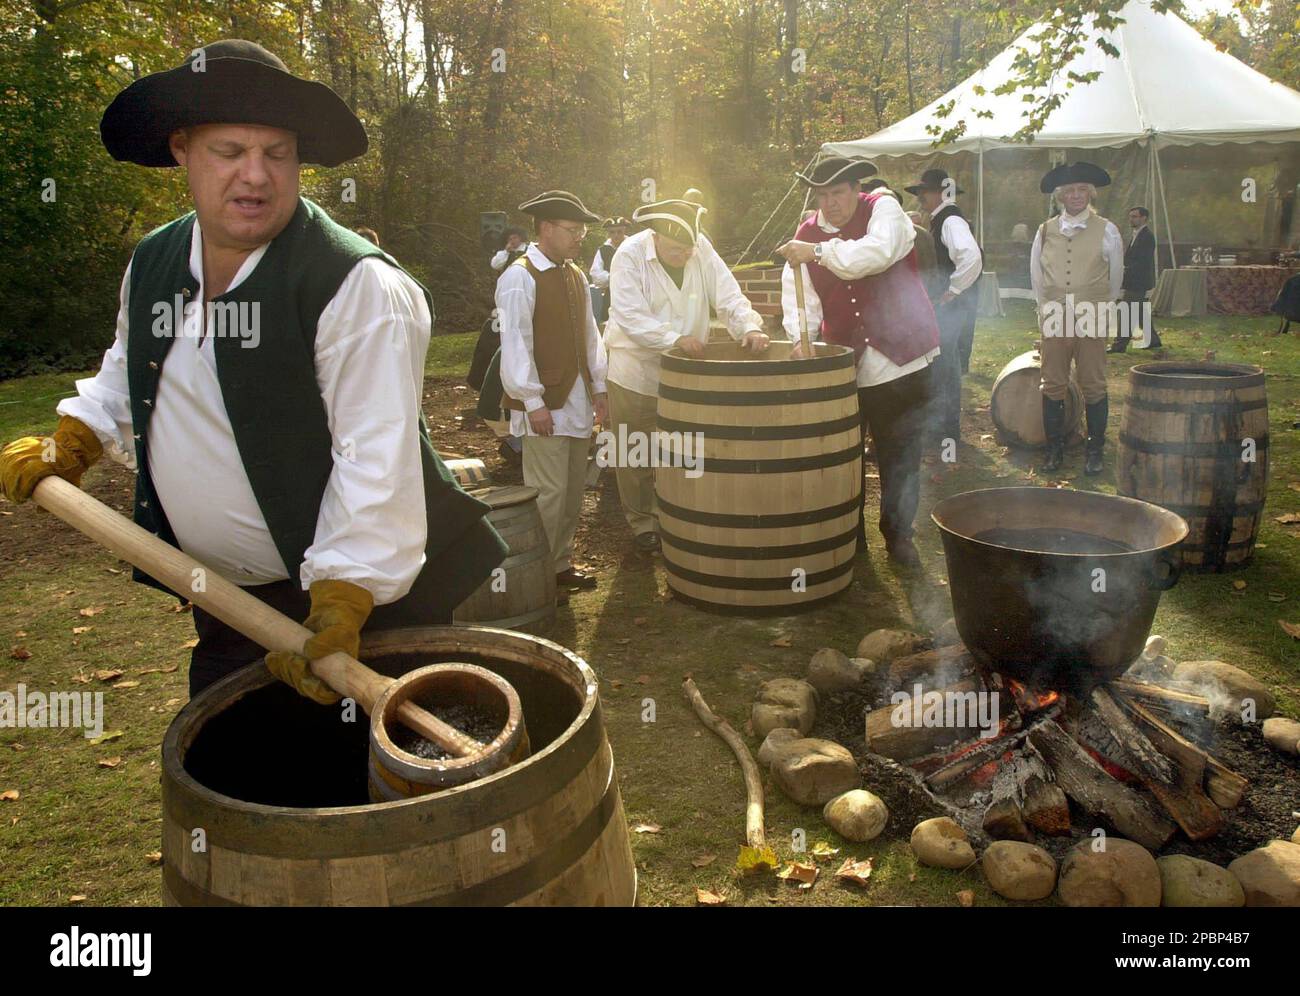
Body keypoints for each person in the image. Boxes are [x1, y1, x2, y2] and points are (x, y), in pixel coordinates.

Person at [0, 40, 506, 701]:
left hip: (364, 606)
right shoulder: (154, 261)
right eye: (230, 152)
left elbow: (374, 458)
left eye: (276, 153)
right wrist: (75, 438)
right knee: (230, 782)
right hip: (224, 601)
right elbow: (134, 369)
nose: (256, 176)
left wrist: (342, 602)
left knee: (377, 787)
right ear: (182, 148)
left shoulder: (357, 287)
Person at [776, 156, 940, 567]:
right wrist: (802, 338)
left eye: (839, 193)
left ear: (856, 190)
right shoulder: (806, 232)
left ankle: (899, 535)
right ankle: (850, 537)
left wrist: (815, 251)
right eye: (823, 195)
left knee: (899, 454)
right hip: (844, 360)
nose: (831, 203)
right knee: (843, 456)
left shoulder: (884, 209)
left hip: (901, 357)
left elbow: (875, 255)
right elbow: (801, 295)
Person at [604, 199, 769, 552]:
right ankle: (642, 525)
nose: (685, 255)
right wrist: (674, 339)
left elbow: (727, 293)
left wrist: (748, 327)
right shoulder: (628, 256)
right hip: (635, 371)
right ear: (656, 238)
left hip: (685, 376)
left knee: (680, 449)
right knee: (635, 451)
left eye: (688, 249)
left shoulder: (698, 248)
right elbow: (629, 316)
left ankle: (678, 515)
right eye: (677, 250)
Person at [496, 190, 609, 598]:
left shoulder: (575, 273)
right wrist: (532, 401)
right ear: (545, 229)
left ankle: (559, 564)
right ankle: (536, 574)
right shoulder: (518, 276)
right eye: (573, 230)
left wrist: (600, 387)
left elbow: (590, 336)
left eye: (581, 230)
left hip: (577, 400)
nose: (580, 237)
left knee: (573, 490)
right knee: (547, 494)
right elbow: (515, 343)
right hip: (543, 405)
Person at [1030, 162, 1124, 476]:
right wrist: (1048, 310)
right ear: (1060, 195)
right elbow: (1037, 279)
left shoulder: (1107, 229)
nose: (1076, 196)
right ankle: (1053, 450)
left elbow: (1115, 280)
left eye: (1082, 189)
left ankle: (1094, 451)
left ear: (1090, 193)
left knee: (1093, 383)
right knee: (1053, 383)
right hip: (1055, 314)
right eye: (1069, 190)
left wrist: (1096, 306)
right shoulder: (1045, 231)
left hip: (1092, 314)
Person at [905, 168, 983, 442]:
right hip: (945, 306)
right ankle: (942, 426)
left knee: (946, 367)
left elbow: (971, 257)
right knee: (943, 365)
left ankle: (946, 430)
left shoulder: (950, 221)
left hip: (949, 307)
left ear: (940, 193)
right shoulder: (941, 220)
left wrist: (953, 290)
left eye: (924, 192)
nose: (920, 198)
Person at [1111, 206, 1160, 351]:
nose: (1131, 219)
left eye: (1135, 216)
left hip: (1138, 281)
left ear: (1144, 218)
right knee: (1139, 311)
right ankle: (1153, 340)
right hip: (1134, 280)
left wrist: (1125, 269)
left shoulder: (1147, 236)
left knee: (1126, 311)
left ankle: (1119, 345)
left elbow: (1143, 261)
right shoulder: (1137, 234)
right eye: (1131, 216)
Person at [589, 216, 629, 324]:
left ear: (624, 231)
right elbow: (595, 274)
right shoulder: (603, 250)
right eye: (612, 232)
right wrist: (613, 277)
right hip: (611, 296)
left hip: (632, 294)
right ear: (609, 233)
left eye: (619, 232)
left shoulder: (633, 247)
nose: (616, 235)